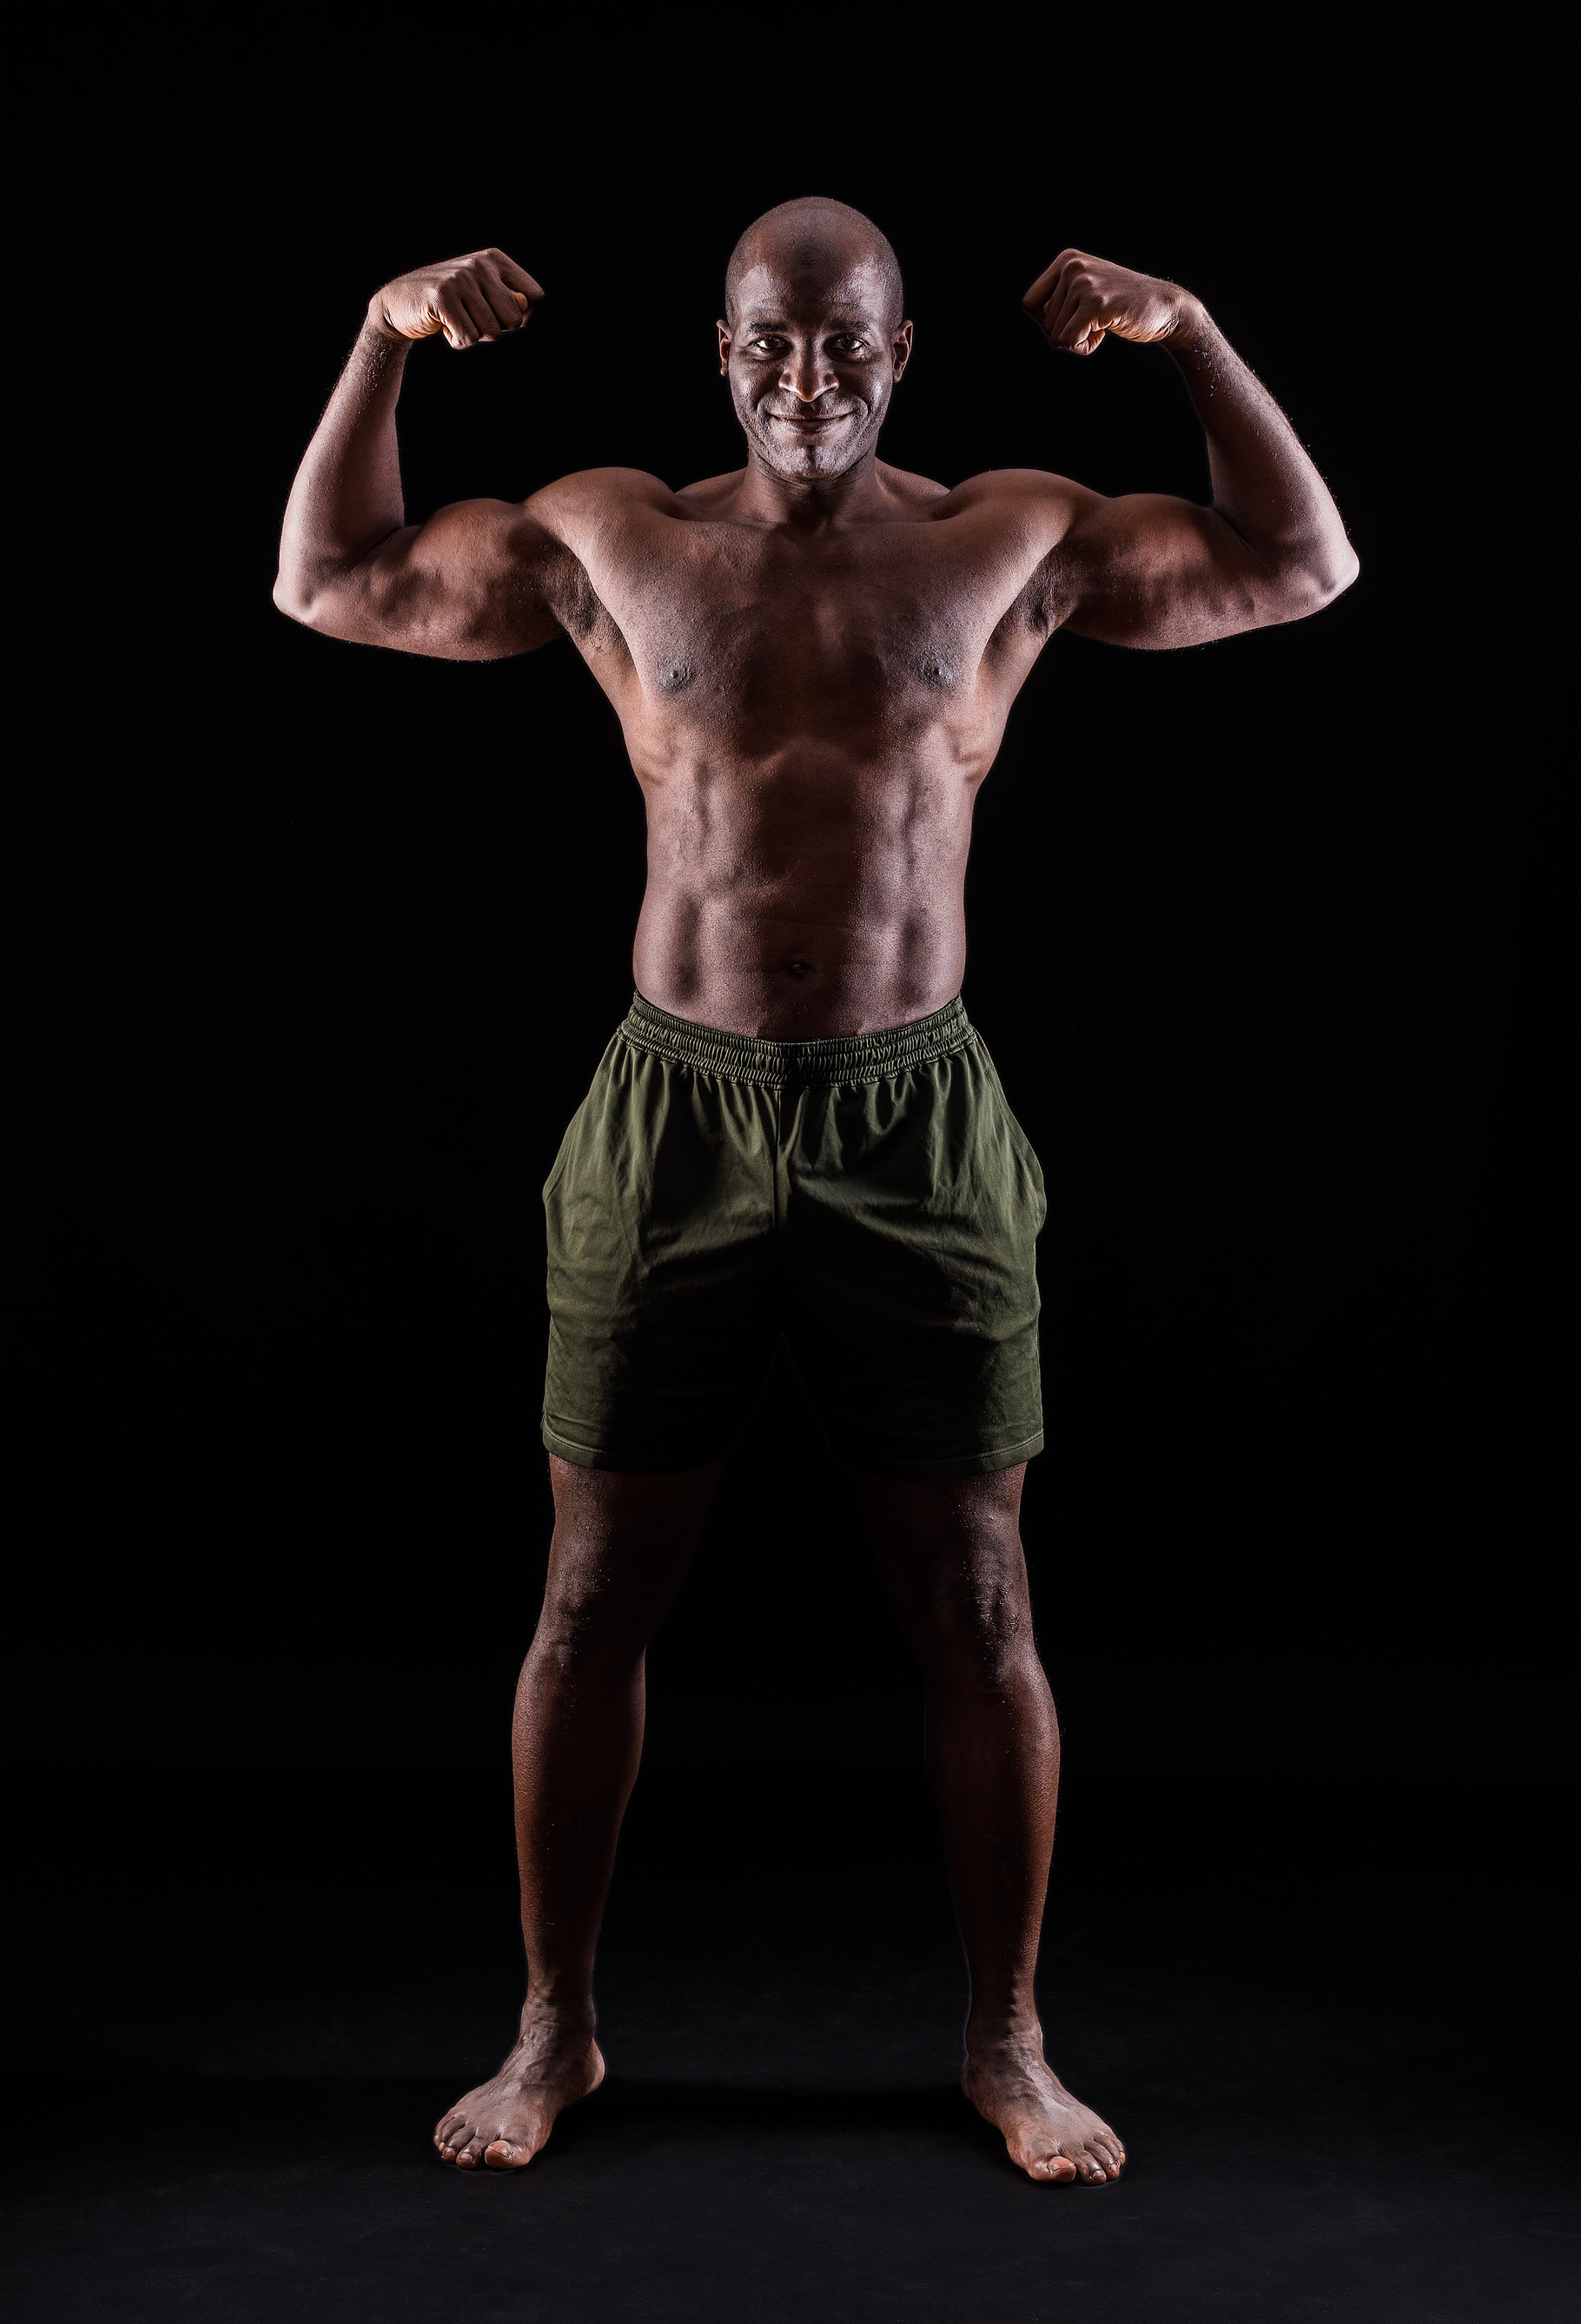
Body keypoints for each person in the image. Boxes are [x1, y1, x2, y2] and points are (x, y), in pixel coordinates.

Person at [274, 196, 1357, 2185]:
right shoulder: (612, 532)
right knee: (590, 1594)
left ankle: (1010, 2044)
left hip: (914, 1113)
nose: (805, 383)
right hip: (663, 1110)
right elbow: (326, 579)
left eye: (843, 346)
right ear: (720, 351)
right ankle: (553, 2036)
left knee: (974, 1599)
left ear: (901, 352)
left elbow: (1302, 562)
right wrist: (383, 336)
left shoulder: (1003, 537)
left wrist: (1191, 330)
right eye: (771, 345)